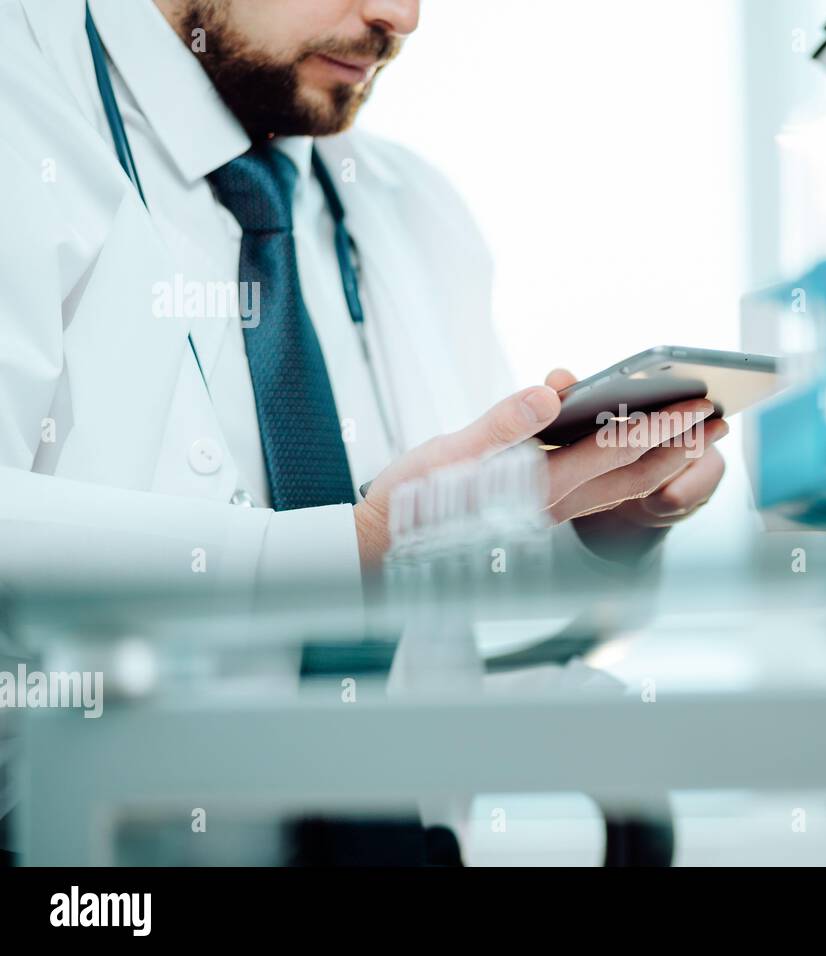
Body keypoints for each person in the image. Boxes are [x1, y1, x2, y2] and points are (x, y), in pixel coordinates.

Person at [0, 0, 727, 865]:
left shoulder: (411, 210)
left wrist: (604, 529)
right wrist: (354, 549)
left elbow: (476, 656)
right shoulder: (23, 113)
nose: (402, 16)